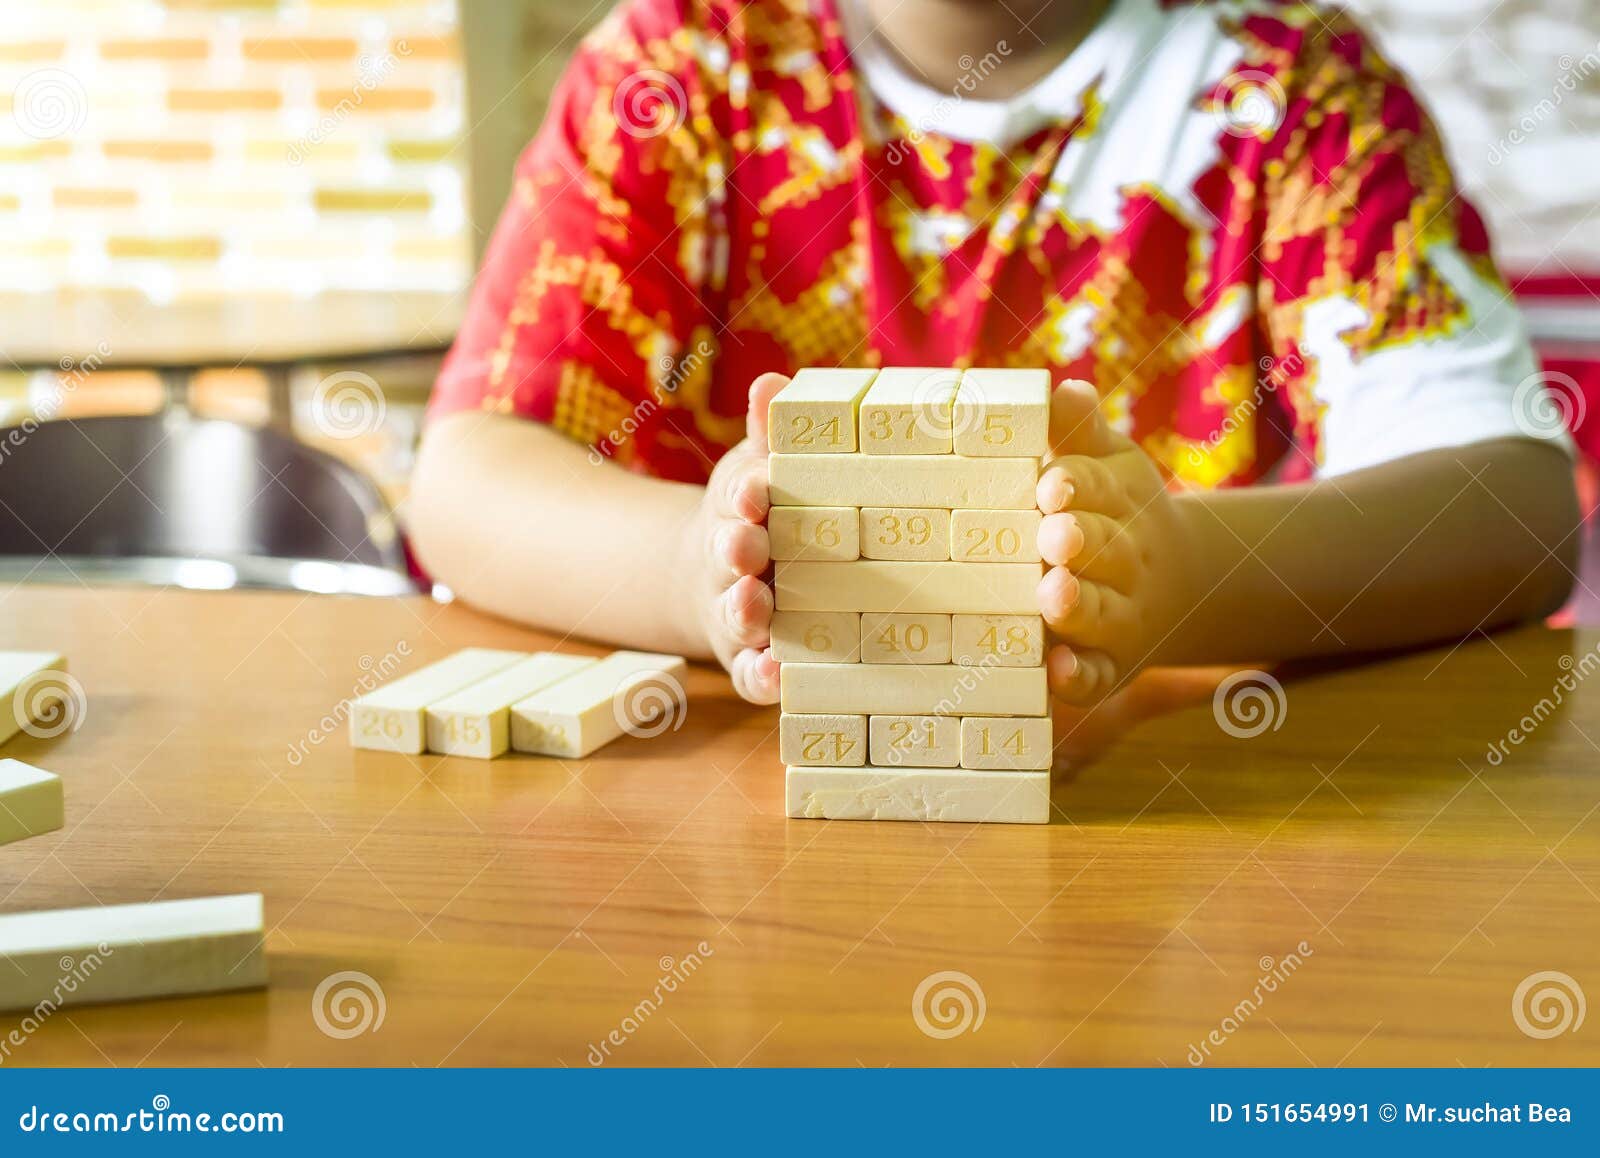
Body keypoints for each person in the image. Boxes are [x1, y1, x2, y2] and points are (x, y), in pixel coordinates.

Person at [409, 0, 1579, 723]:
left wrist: (1174, 580)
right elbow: (466, 483)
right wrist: (697, 571)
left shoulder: (1294, 92)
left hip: (1172, 849)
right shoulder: (679, 71)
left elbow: (1513, 513)